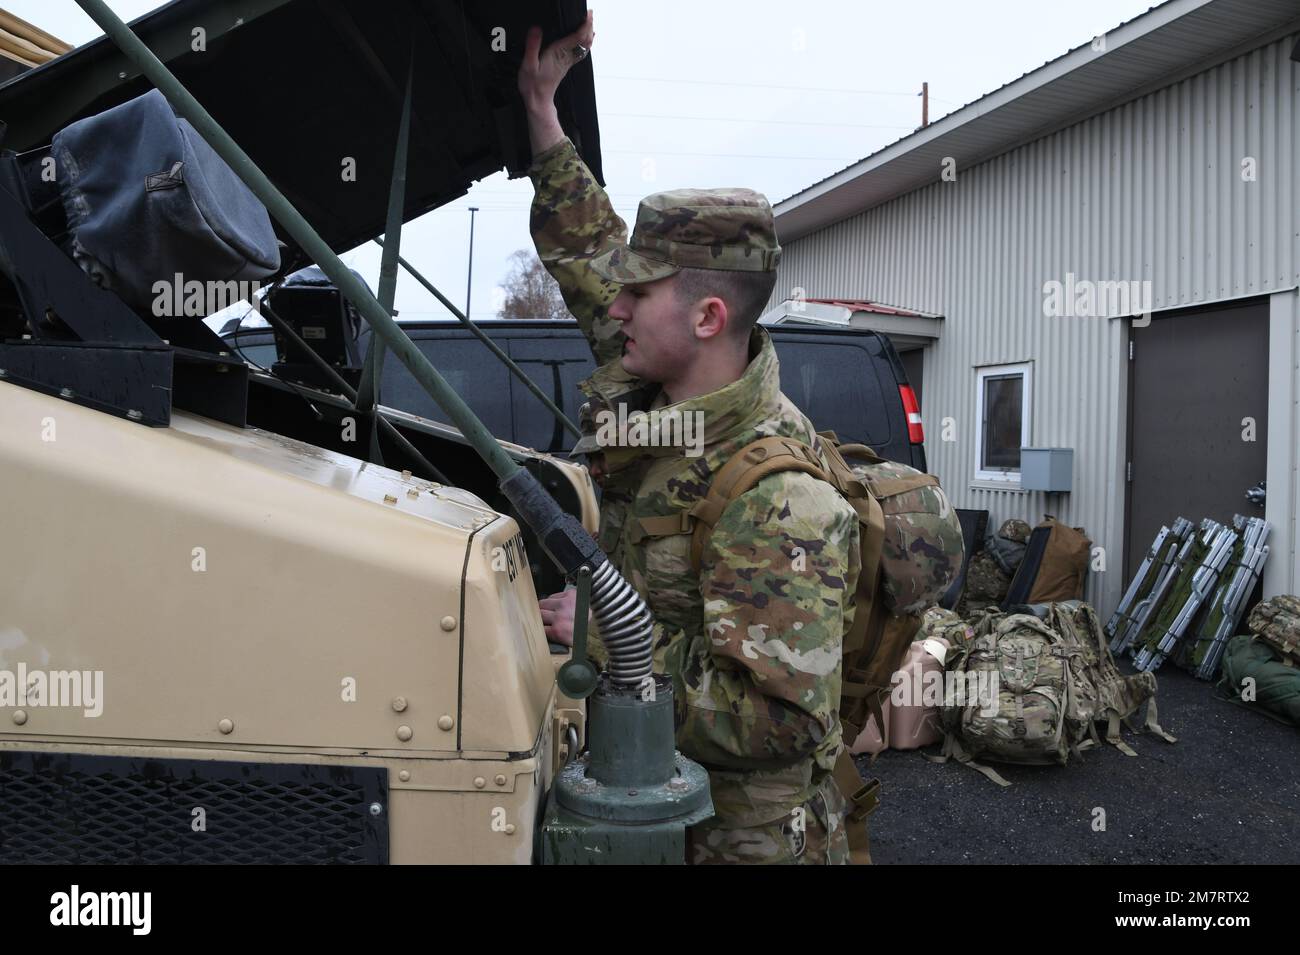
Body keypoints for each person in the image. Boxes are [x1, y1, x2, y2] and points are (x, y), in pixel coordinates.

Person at [521, 13, 860, 864]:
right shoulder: (668, 381)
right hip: (658, 804)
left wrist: (603, 638)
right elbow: (590, 253)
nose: (617, 306)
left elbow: (778, 717)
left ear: (709, 316)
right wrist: (540, 109)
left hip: (736, 840)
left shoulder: (779, 500)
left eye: (640, 292)